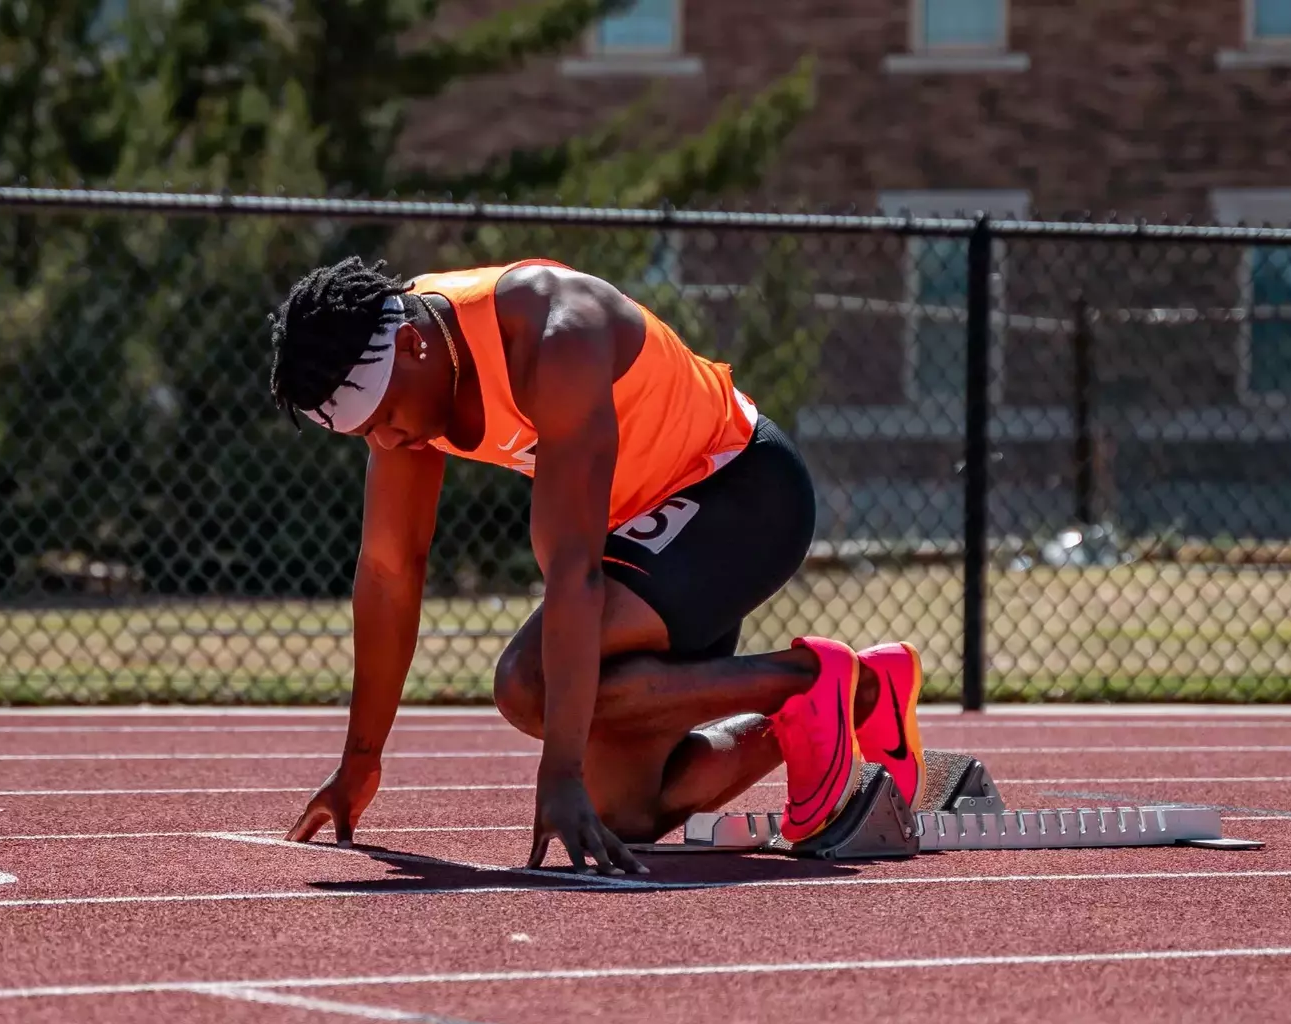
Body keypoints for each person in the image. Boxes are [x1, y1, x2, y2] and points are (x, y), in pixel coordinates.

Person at [267, 254, 926, 875]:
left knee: (529, 684)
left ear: (412, 346)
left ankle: (806, 679)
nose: (386, 441)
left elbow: (574, 572)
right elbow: (388, 569)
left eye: (384, 418)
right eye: (365, 434)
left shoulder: (557, 336)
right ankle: (862, 688)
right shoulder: (412, 375)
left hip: (740, 494)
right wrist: (360, 761)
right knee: (627, 812)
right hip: (650, 540)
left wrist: (560, 773)